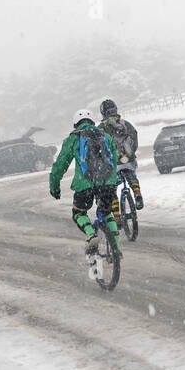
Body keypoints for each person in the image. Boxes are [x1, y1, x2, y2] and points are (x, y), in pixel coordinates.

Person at [48, 109, 120, 255]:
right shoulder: (105, 136)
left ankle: (90, 234)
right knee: (107, 213)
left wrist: (54, 186)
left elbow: (60, 165)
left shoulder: (74, 138)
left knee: (78, 213)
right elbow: (114, 160)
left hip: (84, 184)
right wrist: (110, 182)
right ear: (93, 122)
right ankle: (116, 248)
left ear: (76, 124)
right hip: (107, 183)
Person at [98, 98, 143, 212]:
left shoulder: (101, 128)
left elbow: (97, 147)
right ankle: (137, 193)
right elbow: (134, 138)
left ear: (103, 113)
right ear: (115, 110)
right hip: (128, 160)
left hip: (113, 164)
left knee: (112, 189)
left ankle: (117, 217)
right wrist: (130, 154)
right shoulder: (125, 124)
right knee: (131, 176)